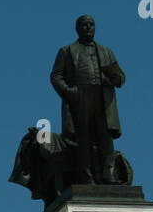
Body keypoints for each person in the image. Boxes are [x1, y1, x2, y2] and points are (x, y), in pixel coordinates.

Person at [50, 14, 126, 184]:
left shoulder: (106, 52)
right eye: (84, 25)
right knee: (83, 138)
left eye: (91, 24)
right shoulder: (67, 51)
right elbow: (56, 76)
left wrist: (113, 78)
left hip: (102, 98)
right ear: (77, 29)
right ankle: (86, 176)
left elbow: (121, 78)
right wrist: (70, 92)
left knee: (105, 137)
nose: (88, 27)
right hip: (80, 97)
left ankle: (108, 174)